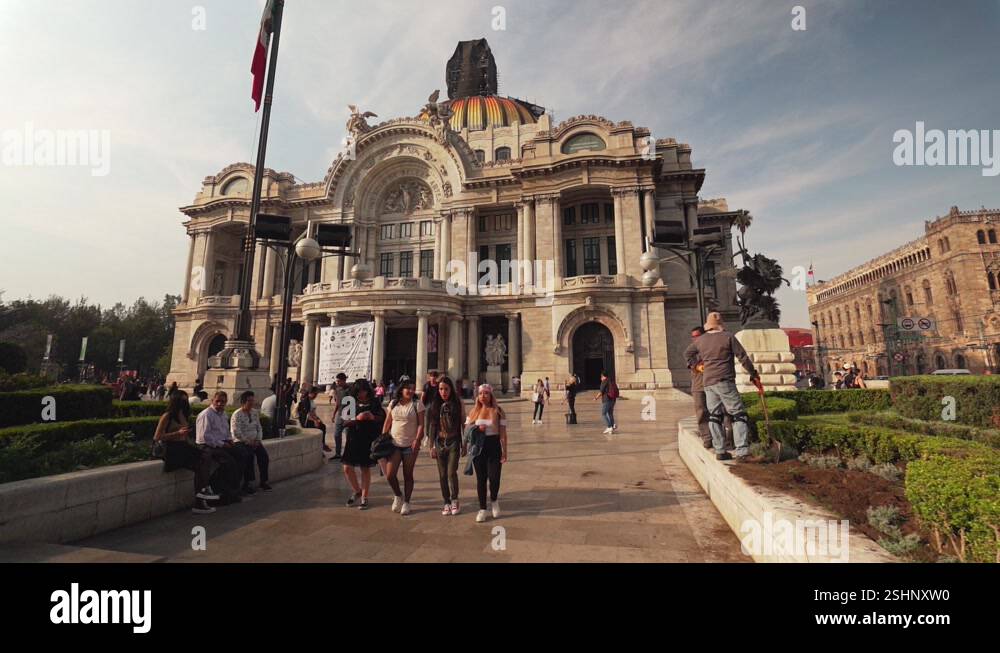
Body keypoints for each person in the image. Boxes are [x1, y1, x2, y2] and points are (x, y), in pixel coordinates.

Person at [683, 312, 760, 462]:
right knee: (739, 414)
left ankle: (720, 450)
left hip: (708, 383)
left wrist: (696, 365)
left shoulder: (701, 340)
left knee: (714, 415)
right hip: (724, 380)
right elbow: (742, 357)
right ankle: (742, 451)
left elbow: (687, 353)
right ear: (720, 324)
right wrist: (753, 373)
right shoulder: (728, 337)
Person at [154, 390, 219, 514]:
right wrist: (177, 433)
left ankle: (203, 494)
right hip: (171, 449)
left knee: (206, 459)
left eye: (185, 400)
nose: (184, 403)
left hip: (182, 446)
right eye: (181, 400)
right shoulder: (167, 416)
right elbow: (157, 437)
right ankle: (202, 496)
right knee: (201, 463)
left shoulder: (184, 414)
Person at [380, 377, 424, 515]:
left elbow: (421, 424)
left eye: (412, 388)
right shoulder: (393, 403)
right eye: (408, 388)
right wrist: (383, 438)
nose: (411, 391)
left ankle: (407, 502)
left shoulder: (417, 404)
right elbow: (388, 421)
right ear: (401, 389)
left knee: (408, 474)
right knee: (390, 474)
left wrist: (417, 439)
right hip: (394, 443)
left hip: (410, 444)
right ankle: (398, 495)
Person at [195, 391, 249, 502]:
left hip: (221, 444)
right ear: (212, 401)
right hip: (208, 446)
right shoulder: (206, 415)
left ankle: (235, 489)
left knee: (243, 455)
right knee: (229, 463)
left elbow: (226, 431)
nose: (220, 404)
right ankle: (225, 493)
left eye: (223, 402)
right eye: (217, 401)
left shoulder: (223, 414)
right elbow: (204, 438)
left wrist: (230, 440)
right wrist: (222, 444)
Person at [465, 384, 508, 523]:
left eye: (486, 393)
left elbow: (503, 434)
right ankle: (482, 508)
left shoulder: (498, 410)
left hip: (493, 446)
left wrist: (505, 451)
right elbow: (466, 431)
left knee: (494, 478)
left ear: (490, 395)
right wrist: (476, 428)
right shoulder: (473, 412)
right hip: (478, 447)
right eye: (481, 393)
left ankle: (494, 500)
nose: (483, 396)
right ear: (477, 396)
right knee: (481, 479)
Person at [340, 379, 385, 510]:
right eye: (359, 391)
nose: (362, 394)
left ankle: (365, 497)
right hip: (353, 437)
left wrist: (372, 417)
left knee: (365, 467)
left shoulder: (374, 401)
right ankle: (357, 490)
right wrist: (357, 418)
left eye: (364, 391)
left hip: (368, 437)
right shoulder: (349, 401)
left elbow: (381, 416)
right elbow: (344, 421)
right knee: (347, 467)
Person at [426, 376, 466, 516]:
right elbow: (432, 426)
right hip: (439, 442)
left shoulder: (458, 403)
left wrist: (465, 443)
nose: (443, 392)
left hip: (453, 441)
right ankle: (446, 501)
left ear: (451, 389)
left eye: (446, 389)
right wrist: (431, 446)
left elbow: (463, 424)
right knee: (442, 475)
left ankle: (455, 499)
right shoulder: (434, 405)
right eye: (441, 389)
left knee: (451, 472)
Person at [231, 390, 271, 493]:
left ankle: (264, 481)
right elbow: (236, 432)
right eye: (249, 401)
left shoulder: (254, 413)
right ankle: (247, 483)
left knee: (264, 456)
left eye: (253, 400)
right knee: (248, 455)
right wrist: (248, 441)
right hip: (241, 441)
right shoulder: (237, 414)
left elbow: (259, 428)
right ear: (243, 402)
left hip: (255, 441)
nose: (252, 403)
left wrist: (258, 439)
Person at [688, 326, 714, 448]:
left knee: (717, 412)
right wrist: (696, 365)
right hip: (698, 386)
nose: (694, 339)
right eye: (693, 337)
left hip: (713, 383)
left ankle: (724, 438)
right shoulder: (691, 351)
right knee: (701, 413)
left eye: (697, 336)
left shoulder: (710, 348)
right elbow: (689, 362)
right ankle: (707, 438)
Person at [298, 387, 330, 452]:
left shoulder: (311, 400)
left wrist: (318, 419)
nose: (316, 396)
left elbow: (313, 413)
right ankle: (322, 445)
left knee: (322, 426)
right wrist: (315, 421)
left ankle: (322, 444)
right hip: (306, 422)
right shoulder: (306, 401)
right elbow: (307, 414)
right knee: (322, 427)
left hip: (311, 419)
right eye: (315, 394)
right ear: (310, 393)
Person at [329, 373, 349, 461]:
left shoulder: (350, 390)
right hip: (339, 415)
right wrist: (334, 414)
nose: (337, 382)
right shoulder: (337, 389)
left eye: (338, 381)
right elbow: (337, 403)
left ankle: (348, 454)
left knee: (348, 435)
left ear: (344, 380)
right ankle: (338, 453)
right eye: (336, 381)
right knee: (337, 434)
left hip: (348, 415)